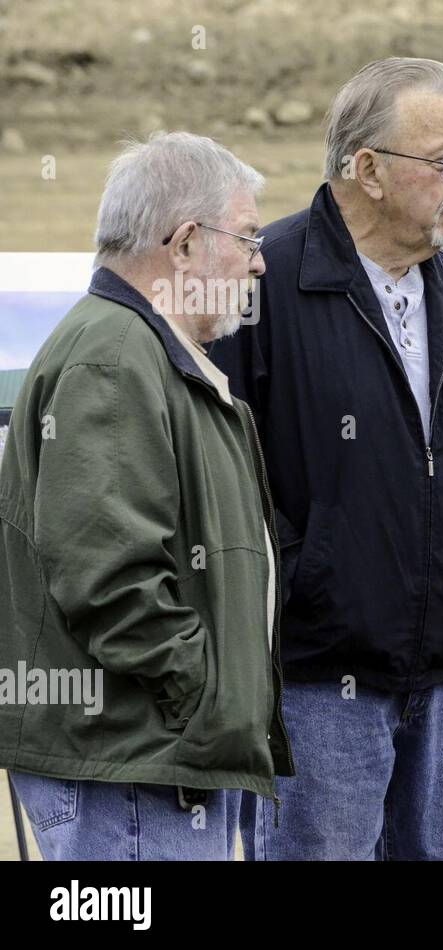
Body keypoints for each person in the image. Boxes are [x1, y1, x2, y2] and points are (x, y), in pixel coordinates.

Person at [210, 58, 443, 860]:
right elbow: (210, 478)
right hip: (319, 681)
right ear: (369, 170)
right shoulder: (261, 283)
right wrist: (308, 583)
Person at [0, 132, 291, 859]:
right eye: (248, 237)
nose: (260, 260)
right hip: (133, 767)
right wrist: (201, 700)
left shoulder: (144, 350)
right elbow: (108, 574)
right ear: (187, 243)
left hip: (147, 758)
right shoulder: (114, 354)